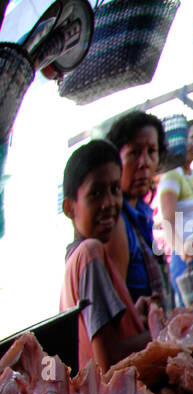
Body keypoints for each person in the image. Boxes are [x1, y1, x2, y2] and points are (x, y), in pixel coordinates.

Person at [58, 140, 150, 370]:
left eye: (114, 189)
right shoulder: (90, 253)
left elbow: (105, 334)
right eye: (96, 193)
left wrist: (136, 316)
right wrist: (164, 332)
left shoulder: (80, 257)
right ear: (69, 208)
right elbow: (109, 360)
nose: (109, 203)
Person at [105, 110, 170, 310]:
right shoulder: (116, 222)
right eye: (134, 153)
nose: (144, 163)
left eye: (151, 151)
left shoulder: (142, 213)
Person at [157, 117, 193, 300]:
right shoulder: (172, 176)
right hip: (186, 257)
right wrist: (182, 249)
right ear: (182, 141)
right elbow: (167, 222)